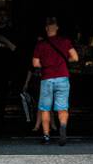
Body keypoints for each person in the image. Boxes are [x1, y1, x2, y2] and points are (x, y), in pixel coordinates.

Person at [32, 17, 78, 145]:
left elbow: (35, 63)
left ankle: (46, 136)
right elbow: (75, 57)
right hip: (63, 77)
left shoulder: (41, 44)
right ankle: (62, 127)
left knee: (45, 108)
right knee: (62, 108)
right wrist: (64, 62)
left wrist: (46, 64)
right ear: (57, 28)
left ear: (46, 28)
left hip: (47, 78)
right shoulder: (65, 41)